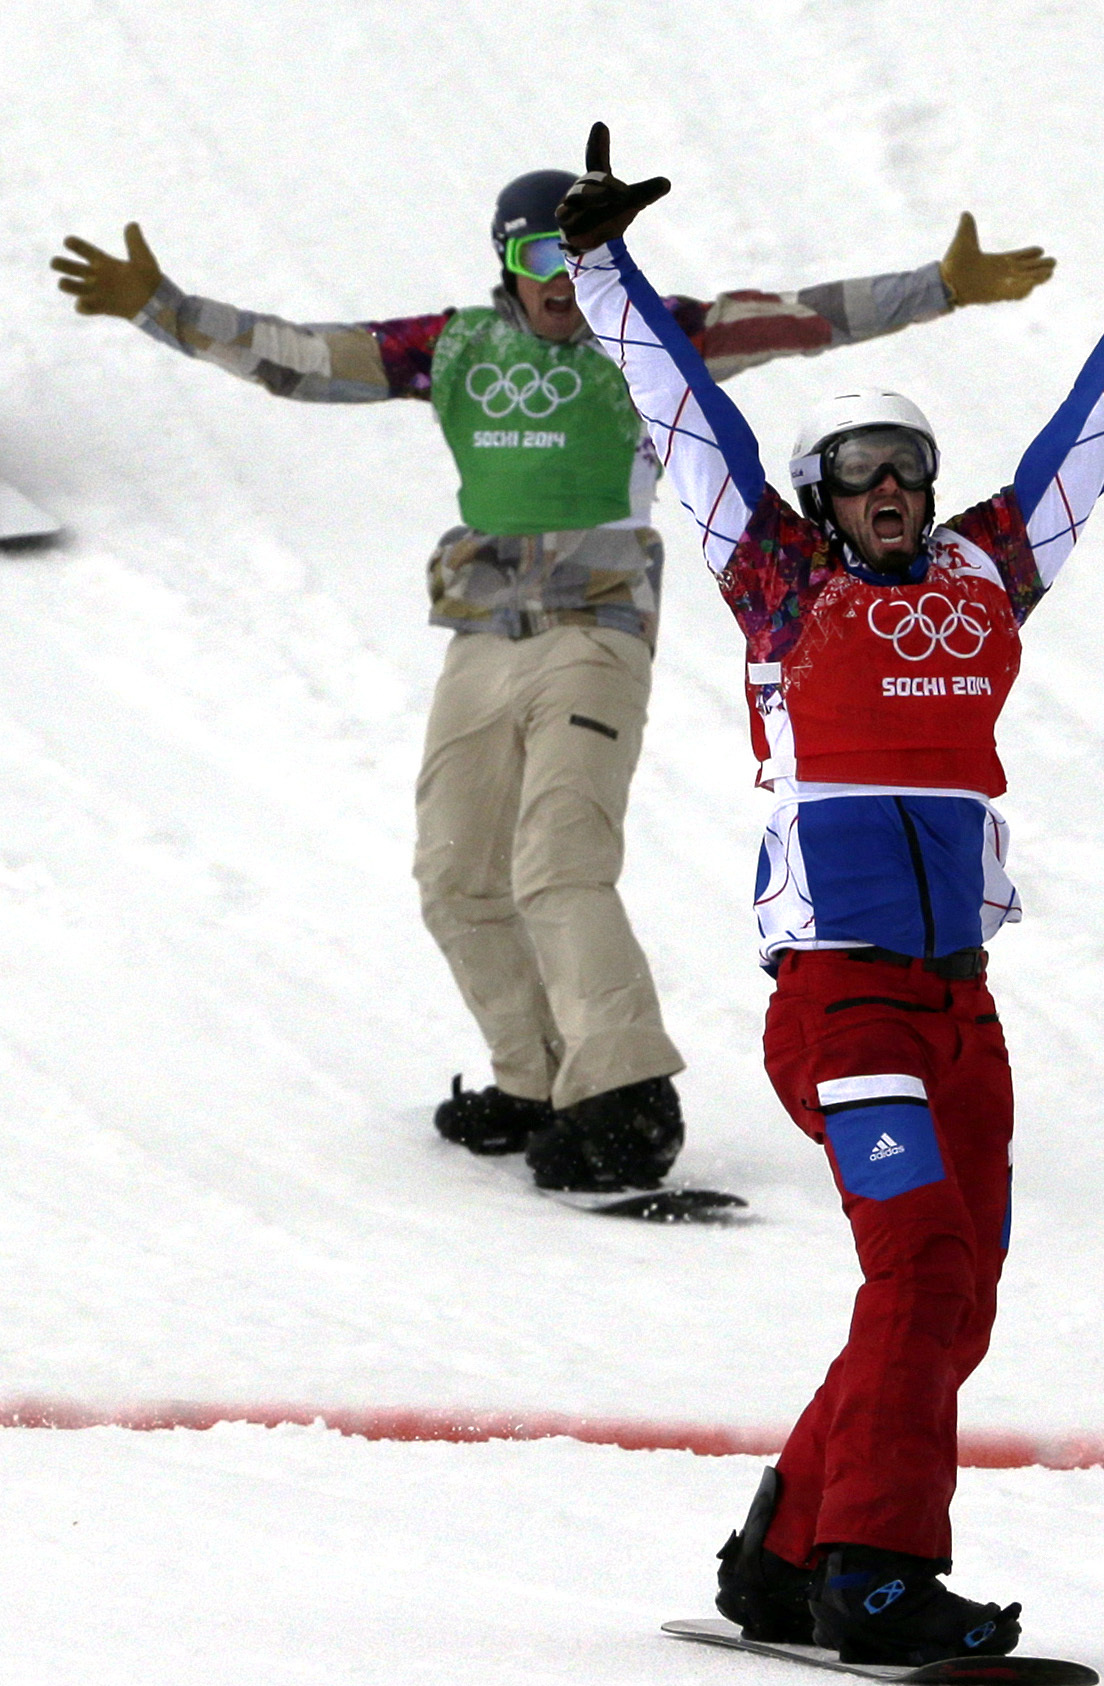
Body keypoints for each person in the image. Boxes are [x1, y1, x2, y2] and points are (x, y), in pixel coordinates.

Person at [554, 124, 1104, 1660]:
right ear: (817, 495)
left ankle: (780, 1551)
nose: (889, 489)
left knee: (956, 1292)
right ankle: (872, 1572)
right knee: (916, 1260)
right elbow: (686, 419)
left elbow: (1091, 447)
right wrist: (601, 268)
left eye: (908, 469)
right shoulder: (777, 582)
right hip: (840, 994)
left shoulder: (984, 576)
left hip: (958, 1001)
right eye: (859, 473)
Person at [51, 181, 1052, 1193]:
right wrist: (159, 304)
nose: (562, 288)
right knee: (453, 876)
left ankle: (624, 1094)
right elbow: (302, 358)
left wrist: (941, 286)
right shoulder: (453, 350)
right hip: (481, 632)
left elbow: (799, 317)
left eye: (572, 265)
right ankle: (533, 1079)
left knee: (559, 859)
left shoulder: (644, 346)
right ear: (506, 267)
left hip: (595, 625)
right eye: (539, 266)